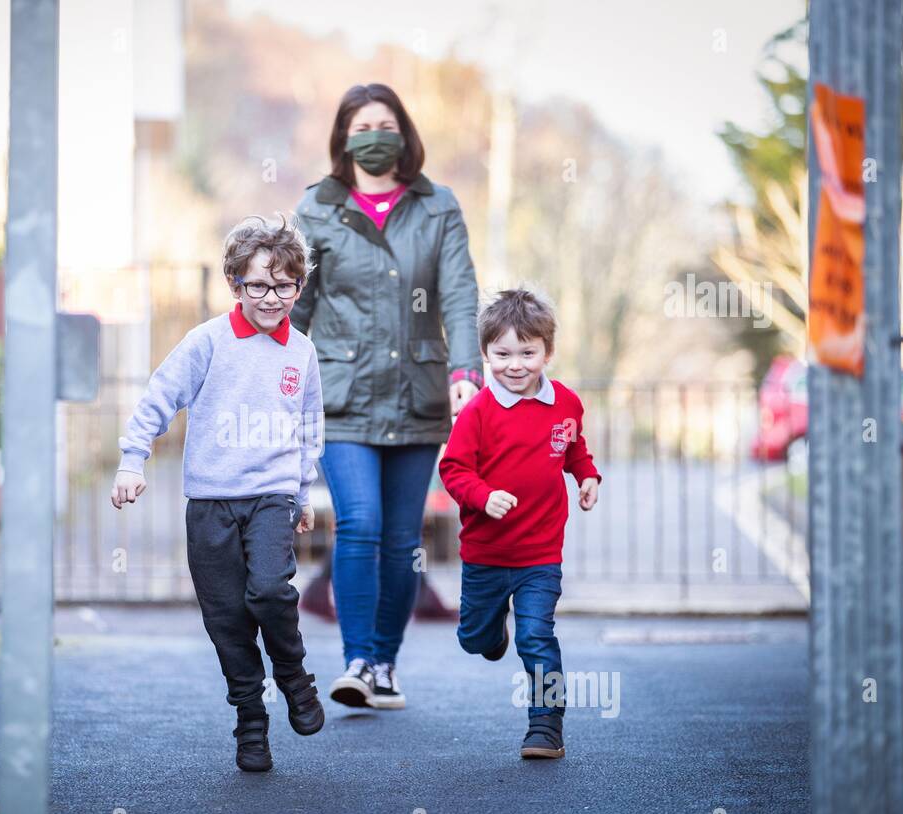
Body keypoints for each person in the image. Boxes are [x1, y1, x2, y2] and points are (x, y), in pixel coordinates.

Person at [111, 214, 326, 773]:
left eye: (284, 286)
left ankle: (294, 675)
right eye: (258, 285)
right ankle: (251, 720)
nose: (272, 297)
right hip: (210, 500)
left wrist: (303, 492)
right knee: (227, 617)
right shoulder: (205, 342)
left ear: (299, 286)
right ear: (235, 284)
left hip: (272, 496)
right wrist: (133, 460)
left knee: (270, 593)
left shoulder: (301, 352)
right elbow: (159, 398)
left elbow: (309, 426)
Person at [291, 82, 481, 710]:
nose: (375, 135)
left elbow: (456, 293)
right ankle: (356, 661)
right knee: (360, 523)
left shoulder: (438, 207)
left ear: (404, 133)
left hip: (418, 394)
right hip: (340, 397)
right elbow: (298, 304)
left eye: (387, 124)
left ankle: (384, 665)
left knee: (403, 541)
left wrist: (464, 372)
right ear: (345, 137)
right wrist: (272, 377)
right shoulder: (317, 208)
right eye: (363, 125)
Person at [437, 288, 601, 759]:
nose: (515, 364)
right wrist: (483, 497)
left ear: (548, 351)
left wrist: (586, 476)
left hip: (540, 555)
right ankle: (491, 633)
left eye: (527, 353)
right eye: (502, 353)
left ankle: (546, 725)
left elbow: (574, 447)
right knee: (474, 640)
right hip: (486, 555)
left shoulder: (566, 404)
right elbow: (453, 469)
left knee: (537, 636)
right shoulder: (477, 413)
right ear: (486, 354)